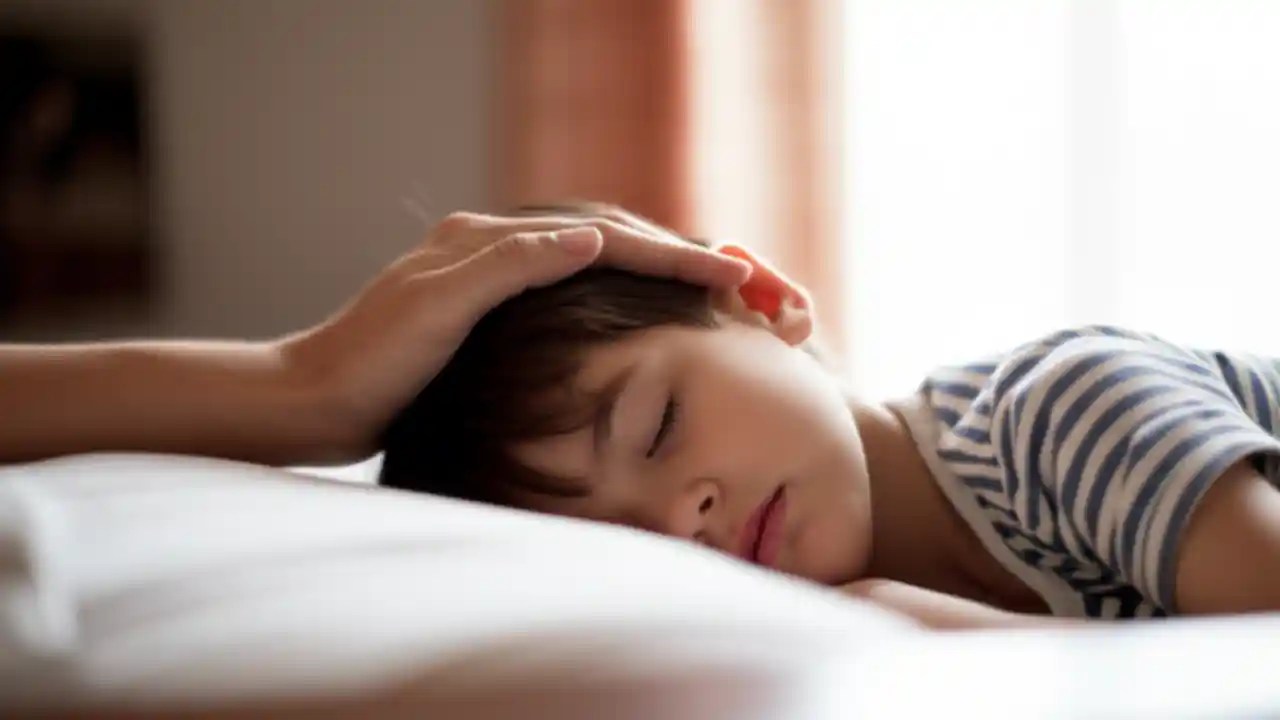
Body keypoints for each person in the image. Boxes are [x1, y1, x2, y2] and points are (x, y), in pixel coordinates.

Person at [379, 203, 1280, 630]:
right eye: (622, 545)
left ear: (763, 300)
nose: (673, 520)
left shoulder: (1069, 410)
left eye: (657, 427)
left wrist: (953, 638)